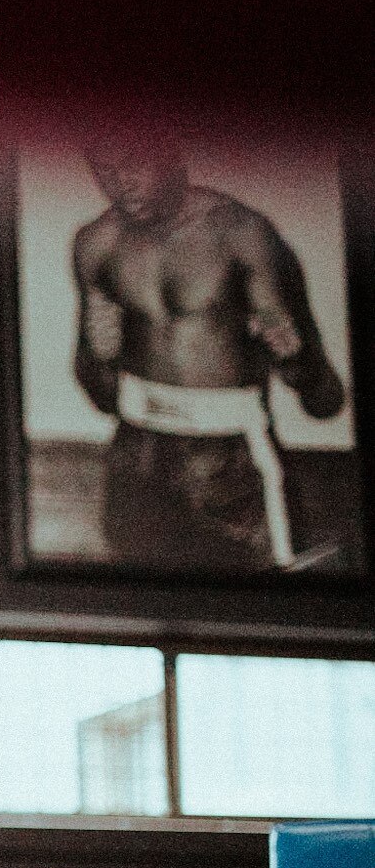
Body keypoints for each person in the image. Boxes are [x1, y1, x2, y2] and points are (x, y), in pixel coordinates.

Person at [72, 137, 348, 571]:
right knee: (136, 605)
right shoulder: (96, 245)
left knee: (263, 613)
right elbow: (102, 396)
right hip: (136, 456)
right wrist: (99, 360)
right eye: (104, 169)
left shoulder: (244, 236)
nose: (120, 183)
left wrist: (295, 359)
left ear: (170, 155)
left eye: (133, 163)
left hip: (232, 462)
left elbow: (326, 402)